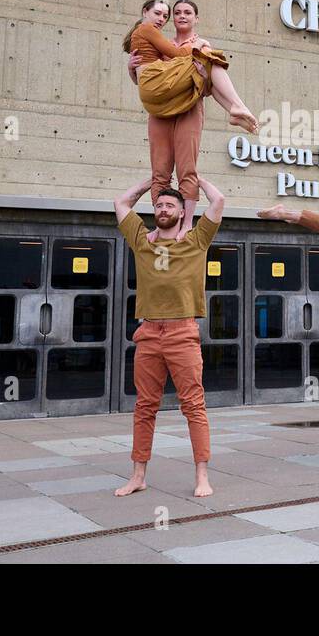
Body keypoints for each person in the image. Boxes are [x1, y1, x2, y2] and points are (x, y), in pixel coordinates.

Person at [112, 175, 225, 498]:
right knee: (145, 406)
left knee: (193, 405)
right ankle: (138, 475)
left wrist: (194, 177)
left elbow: (218, 202)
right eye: (159, 205)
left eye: (170, 205)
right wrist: (151, 183)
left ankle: (202, 476)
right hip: (148, 332)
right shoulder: (142, 241)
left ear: (182, 211)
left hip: (182, 331)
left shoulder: (196, 240)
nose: (163, 209)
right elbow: (121, 203)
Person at [123, 0, 257, 239]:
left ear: (196, 18)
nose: (181, 16)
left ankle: (185, 225)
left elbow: (204, 83)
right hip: (161, 111)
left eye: (187, 12)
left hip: (188, 109)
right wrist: (131, 68)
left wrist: (203, 73)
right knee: (160, 170)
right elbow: (145, 82)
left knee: (187, 167)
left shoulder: (201, 45)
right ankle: (160, 226)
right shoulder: (162, 42)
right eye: (177, 13)